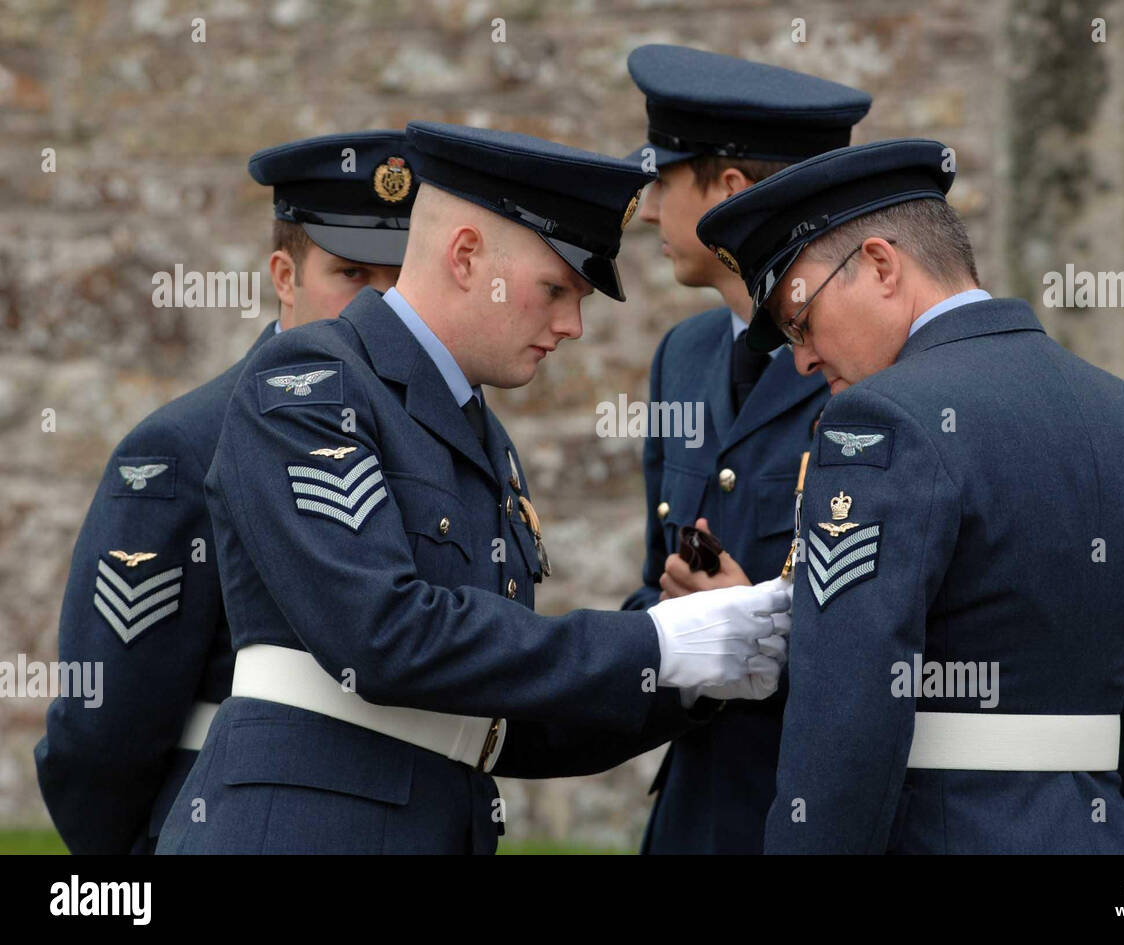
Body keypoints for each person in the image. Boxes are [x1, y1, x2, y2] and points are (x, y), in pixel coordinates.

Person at [156, 122, 791, 855]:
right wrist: (655, 640)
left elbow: (510, 707)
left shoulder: (482, 436)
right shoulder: (307, 385)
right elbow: (383, 633)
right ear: (465, 257)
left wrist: (701, 671)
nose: (574, 325)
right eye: (556, 288)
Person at [696, 138, 1124, 854]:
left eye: (801, 320)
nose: (803, 357)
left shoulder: (879, 420)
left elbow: (847, 714)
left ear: (879, 264)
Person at [34, 130, 413, 854]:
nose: (379, 308)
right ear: (284, 275)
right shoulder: (185, 444)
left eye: (401, 282)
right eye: (353, 275)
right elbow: (104, 723)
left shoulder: (432, 441)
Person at [621, 44, 871, 854]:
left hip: (808, 808)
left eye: (662, 181)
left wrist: (756, 625)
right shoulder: (683, 357)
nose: (648, 210)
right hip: (695, 810)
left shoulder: (871, 364)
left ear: (728, 191)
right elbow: (654, 576)